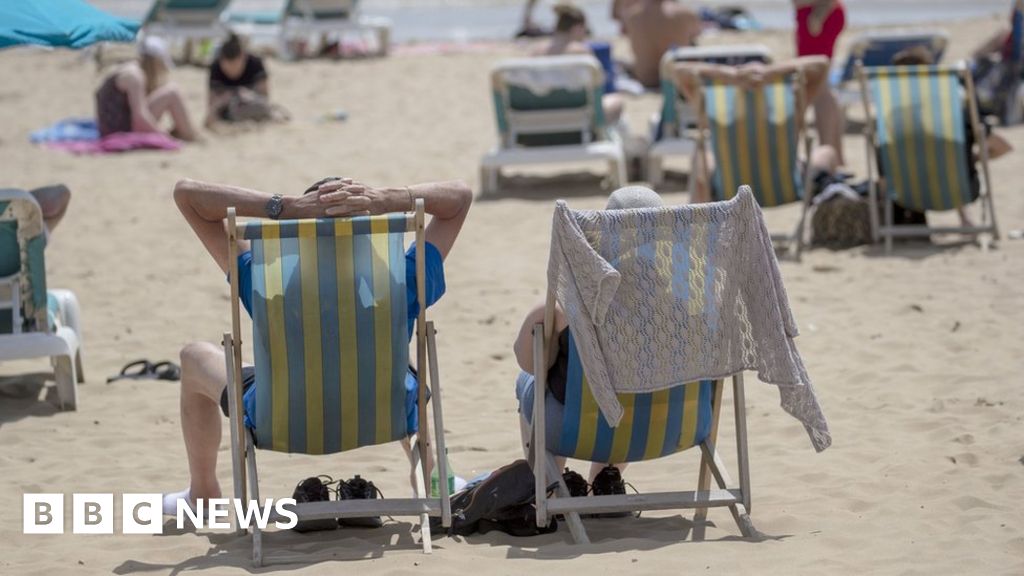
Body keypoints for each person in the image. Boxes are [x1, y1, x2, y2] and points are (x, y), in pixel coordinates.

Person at [163, 176, 472, 515]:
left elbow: (187, 194)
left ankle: (204, 493)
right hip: (384, 414)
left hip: (280, 420)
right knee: (396, 359)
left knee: (193, 356)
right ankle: (432, 475)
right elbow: (459, 197)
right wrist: (385, 199)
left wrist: (287, 208)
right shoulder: (403, 280)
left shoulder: (264, 282)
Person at [512, 186, 665, 505]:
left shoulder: (569, 306)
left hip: (575, 431)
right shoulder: (681, 308)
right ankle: (606, 480)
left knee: (529, 380)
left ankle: (551, 483)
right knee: (632, 395)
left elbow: (527, 362)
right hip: (658, 428)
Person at [673, 56, 845, 203]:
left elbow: (678, 70)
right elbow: (822, 64)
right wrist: (771, 72)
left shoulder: (716, 106)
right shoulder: (790, 103)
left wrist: (731, 75)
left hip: (729, 188)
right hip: (786, 189)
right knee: (827, 152)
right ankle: (822, 215)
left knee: (701, 158)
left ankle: (698, 226)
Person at [531, 2, 625, 124]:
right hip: (579, 118)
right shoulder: (581, 52)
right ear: (577, 28)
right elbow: (598, 85)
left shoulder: (536, 53)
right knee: (616, 100)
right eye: (585, 30)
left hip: (542, 116)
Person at [95, 37, 198, 142]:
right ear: (156, 61)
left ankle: (188, 133)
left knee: (170, 91)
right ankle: (191, 135)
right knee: (172, 92)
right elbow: (139, 118)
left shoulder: (129, 70)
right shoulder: (135, 76)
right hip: (121, 130)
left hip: (111, 127)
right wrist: (165, 137)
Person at [793, 0, 846, 165]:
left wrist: (819, 13)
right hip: (819, 12)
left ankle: (830, 153)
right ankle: (834, 154)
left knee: (816, 86)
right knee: (821, 86)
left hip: (817, 12)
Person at [206, 33, 285, 127]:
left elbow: (265, 97)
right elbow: (211, 104)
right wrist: (226, 98)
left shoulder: (255, 63)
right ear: (221, 61)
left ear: (243, 58)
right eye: (227, 68)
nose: (232, 72)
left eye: (235, 66)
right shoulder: (216, 67)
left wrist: (248, 95)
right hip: (227, 109)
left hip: (252, 104)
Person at [620, 0, 701, 89]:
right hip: (675, 78)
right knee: (692, 44)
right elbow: (696, 33)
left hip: (646, 79)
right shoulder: (685, 13)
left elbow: (624, 33)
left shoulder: (631, 16)